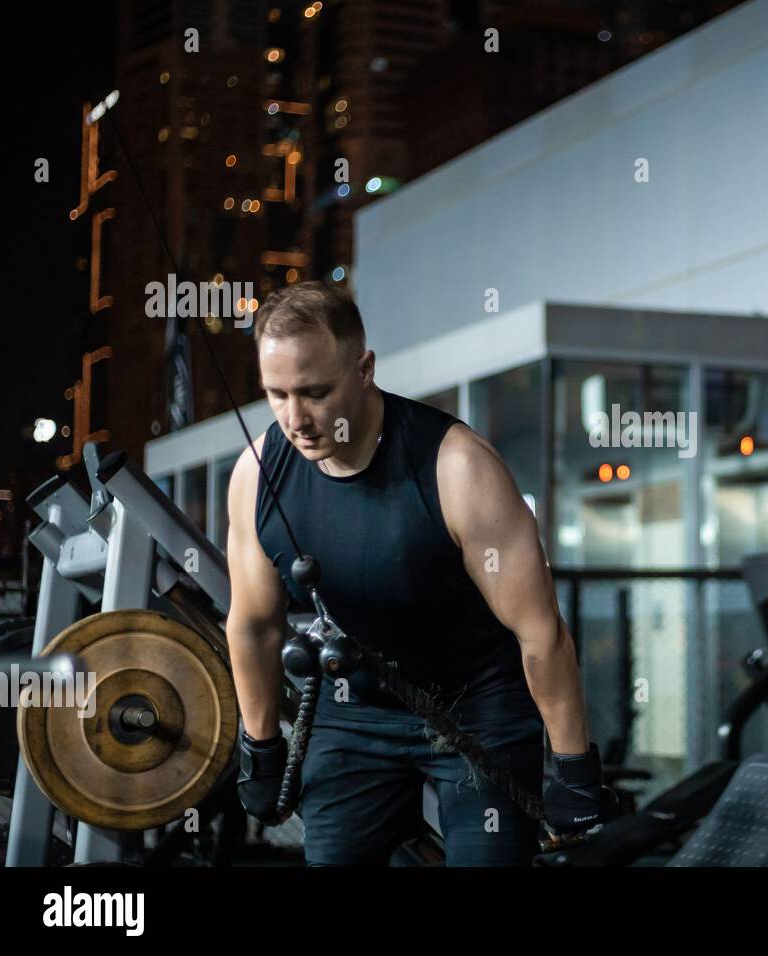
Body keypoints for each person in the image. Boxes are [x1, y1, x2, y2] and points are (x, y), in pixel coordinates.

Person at [225, 281, 607, 865]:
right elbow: (253, 625)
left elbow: (539, 632)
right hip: (354, 712)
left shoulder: (457, 468)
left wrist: (574, 765)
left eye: (315, 392)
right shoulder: (257, 475)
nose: (295, 418)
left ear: (364, 369)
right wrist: (259, 744)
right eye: (276, 394)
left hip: (478, 707)